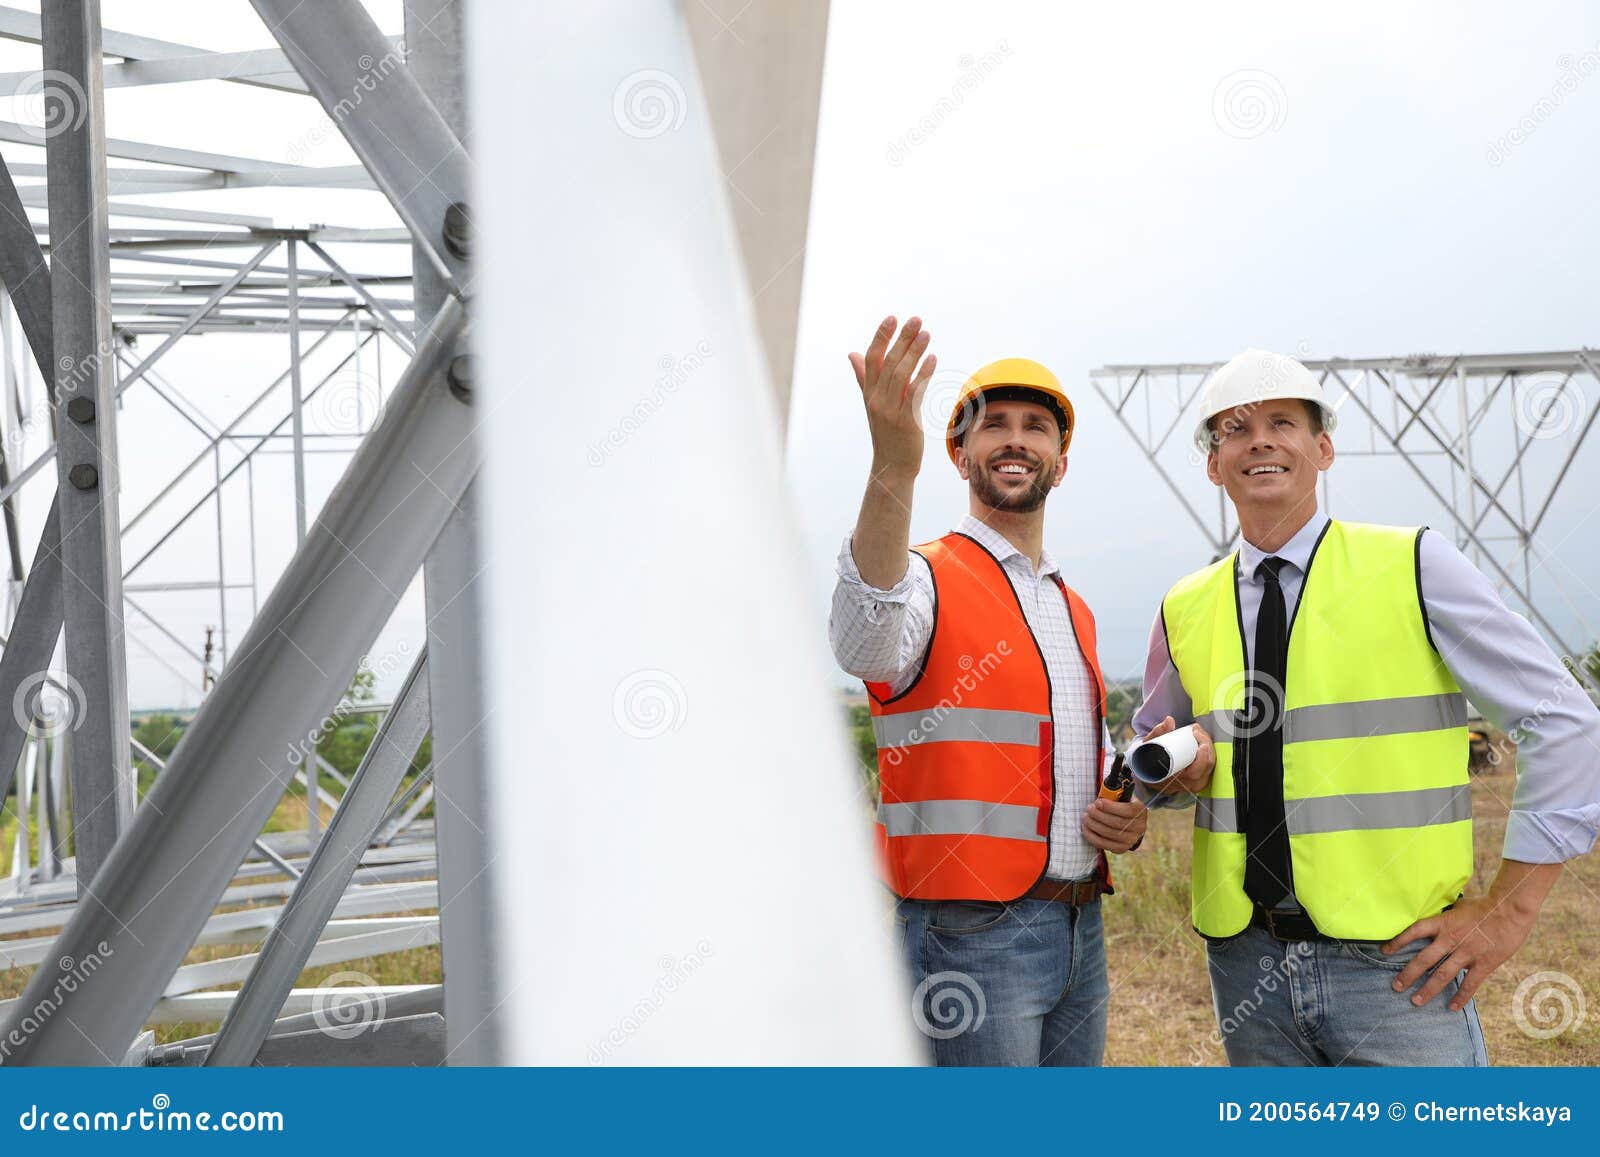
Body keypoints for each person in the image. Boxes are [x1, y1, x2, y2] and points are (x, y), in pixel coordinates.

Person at [1135, 347, 1600, 1066]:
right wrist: (1170, 776)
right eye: (1235, 429)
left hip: (1396, 966)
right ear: (1213, 463)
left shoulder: (1413, 564)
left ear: (1322, 449)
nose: (1259, 440)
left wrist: (1508, 912)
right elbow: (1153, 757)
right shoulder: (1184, 606)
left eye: (1282, 423)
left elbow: (1564, 721)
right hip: (1245, 964)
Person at [829, 315, 1146, 1066]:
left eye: (1036, 428)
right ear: (958, 452)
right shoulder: (923, 576)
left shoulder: (1072, 608)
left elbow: (1079, 761)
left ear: (1060, 462)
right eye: (993, 424)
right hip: (968, 937)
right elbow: (863, 644)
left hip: (1081, 928)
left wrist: (1124, 816)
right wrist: (892, 467)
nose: (1015, 440)